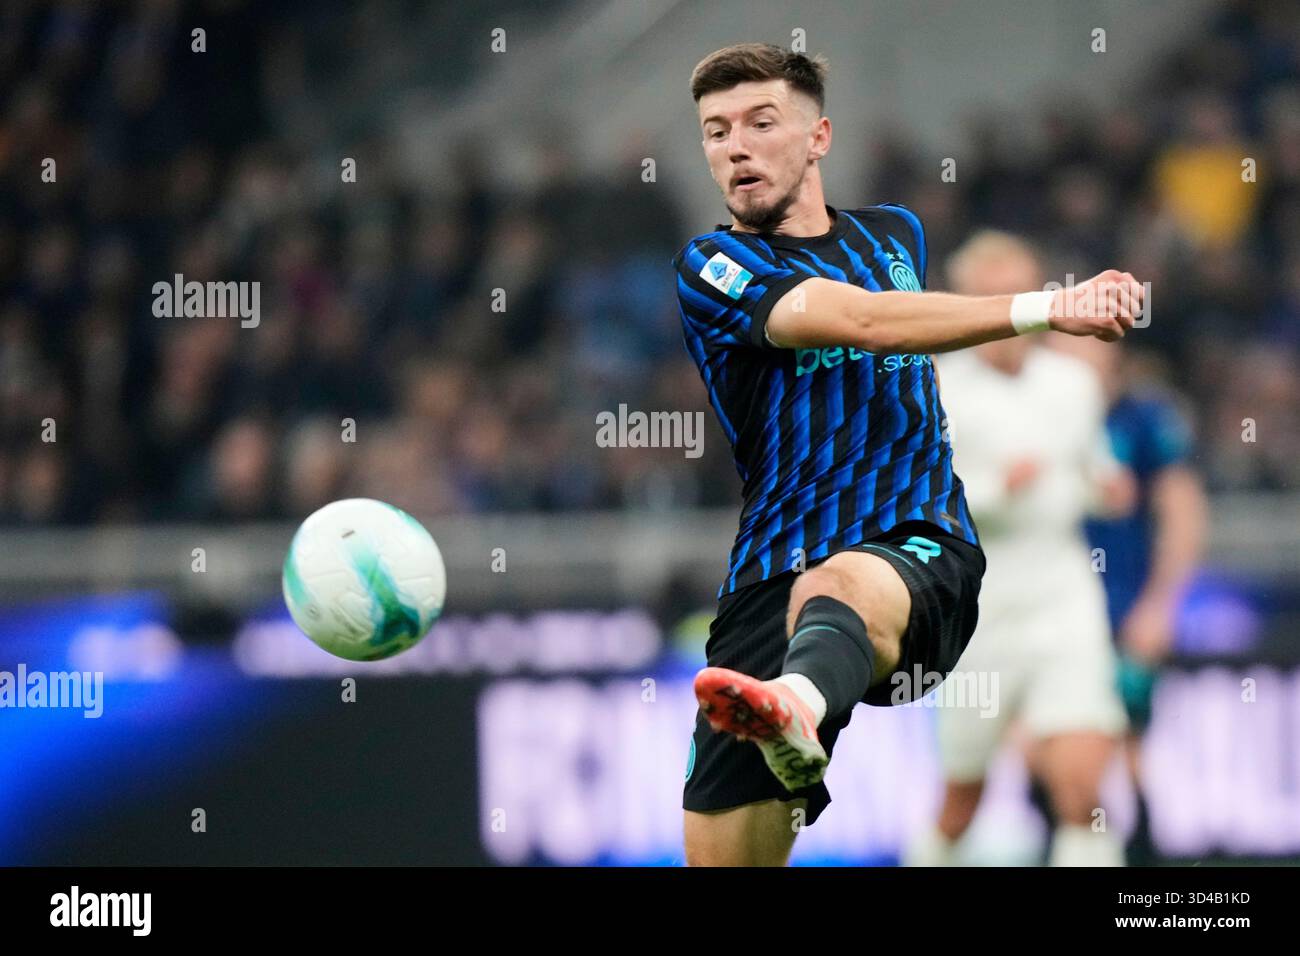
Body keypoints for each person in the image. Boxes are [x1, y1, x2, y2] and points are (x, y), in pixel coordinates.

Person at [672, 43, 1144, 866]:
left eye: (760, 122)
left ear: (818, 137)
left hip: (918, 547)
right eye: (716, 132)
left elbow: (895, 319)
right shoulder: (712, 266)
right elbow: (865, 322)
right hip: (766, 575)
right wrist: (1047, 306)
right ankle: (792, 707)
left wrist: (1044, 318)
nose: (735, 146)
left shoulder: (895, 235)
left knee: (842, 582)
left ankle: (798, 702)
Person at [903, 231, 1134, 868]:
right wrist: (999, 491)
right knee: (961, 800)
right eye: (989, 294)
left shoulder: (1073, 383)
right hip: (979, 608)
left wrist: (1105, 486)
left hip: (1062, 597)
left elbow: (1091, 473)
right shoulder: (935, 387)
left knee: (1082, 789)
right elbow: (916, 506)